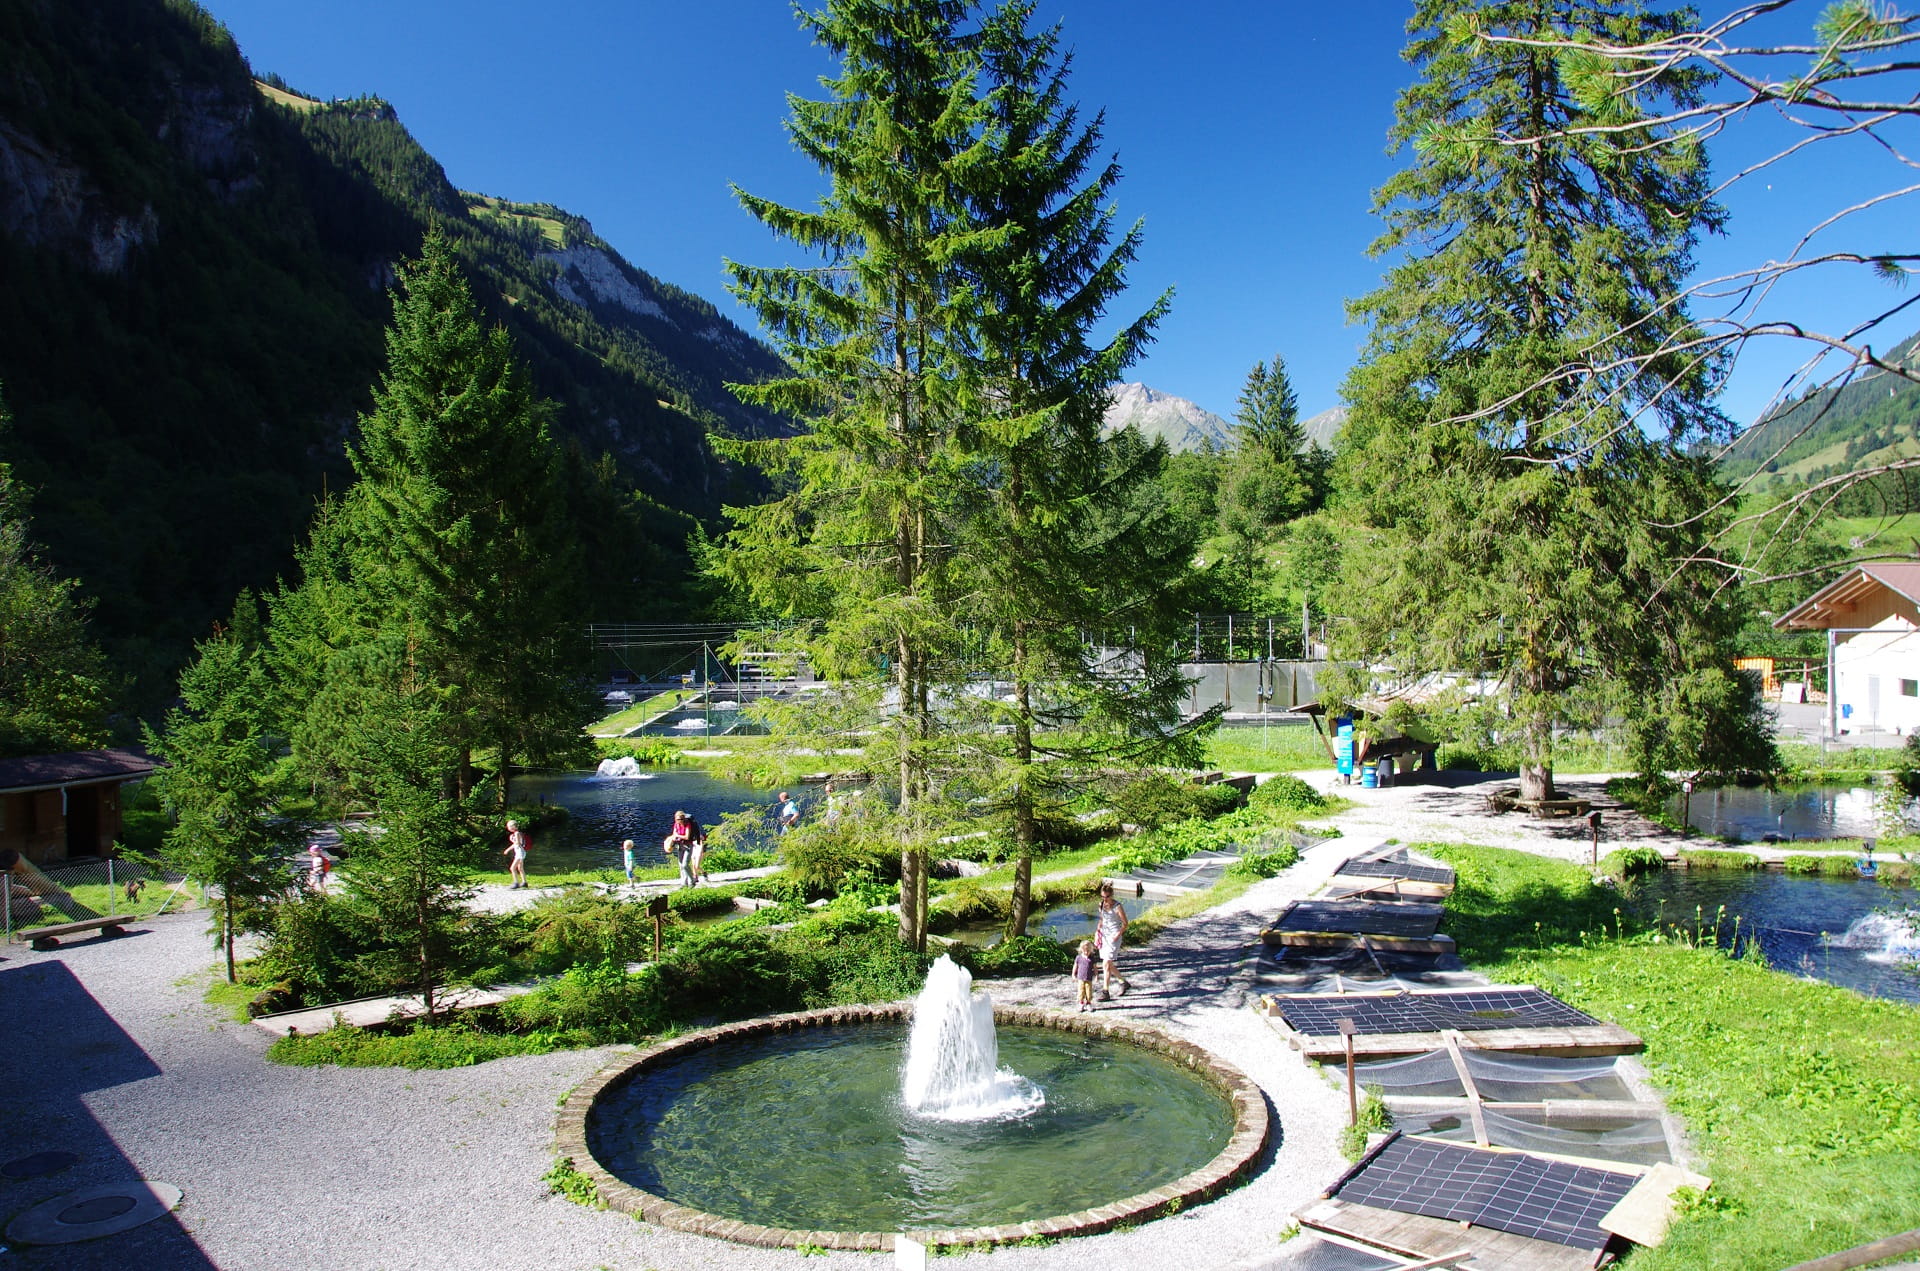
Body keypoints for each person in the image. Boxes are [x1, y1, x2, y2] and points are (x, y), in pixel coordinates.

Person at [1094, 881, 1129, 1000]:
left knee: (1106, 963)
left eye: (1107, 896)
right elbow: (1102, 919)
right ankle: (1123, 982)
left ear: (1111, 895)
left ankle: (1105, 991)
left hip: (1114, 936)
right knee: (1108, 963)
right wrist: (1098, 931)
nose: (1105, 899)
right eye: (1103, 896)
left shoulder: (1117, 906)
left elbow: (1125, 923)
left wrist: (1118, 934)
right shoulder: (1101, 905)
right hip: (1104, 935)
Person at [662, 810, 704, 889]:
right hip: (680, 846)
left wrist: (678, 835)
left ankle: (692, 881)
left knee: (685, 864)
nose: (679, 821)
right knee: (681, 865)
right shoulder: (676, 825)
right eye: (677, 819)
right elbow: (674, 834)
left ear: (683, 819)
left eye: (680, 819)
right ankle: (683, 883)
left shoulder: (687, 825)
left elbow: (687, 837)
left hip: (688, 846)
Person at [503, 819, 529, 889]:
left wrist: (508, 849)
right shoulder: (518, 833)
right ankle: (524, 882)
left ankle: (516, 883)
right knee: (520, 868)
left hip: (520, 852)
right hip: (521, 852)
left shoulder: (517, 833)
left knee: (512, 868)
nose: (508, 828)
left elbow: (517, 843)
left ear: (513, 826)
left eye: (509, 826)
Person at [1073, 939, 1098, 1012]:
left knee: (1088, 992)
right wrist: (1073, 974)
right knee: (1081, 991)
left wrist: (1096, 976)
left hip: (1088, 978)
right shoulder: (1078, 957)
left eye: (1088, 951)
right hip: (1080, 978)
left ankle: (1088, 1003)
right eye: (1084, 951)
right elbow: (1075, 966)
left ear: (1091, 950)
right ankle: (1081, 1003)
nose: (1086, 952)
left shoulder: (1092, 958)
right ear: (1081, 950)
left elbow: (1095, 968)